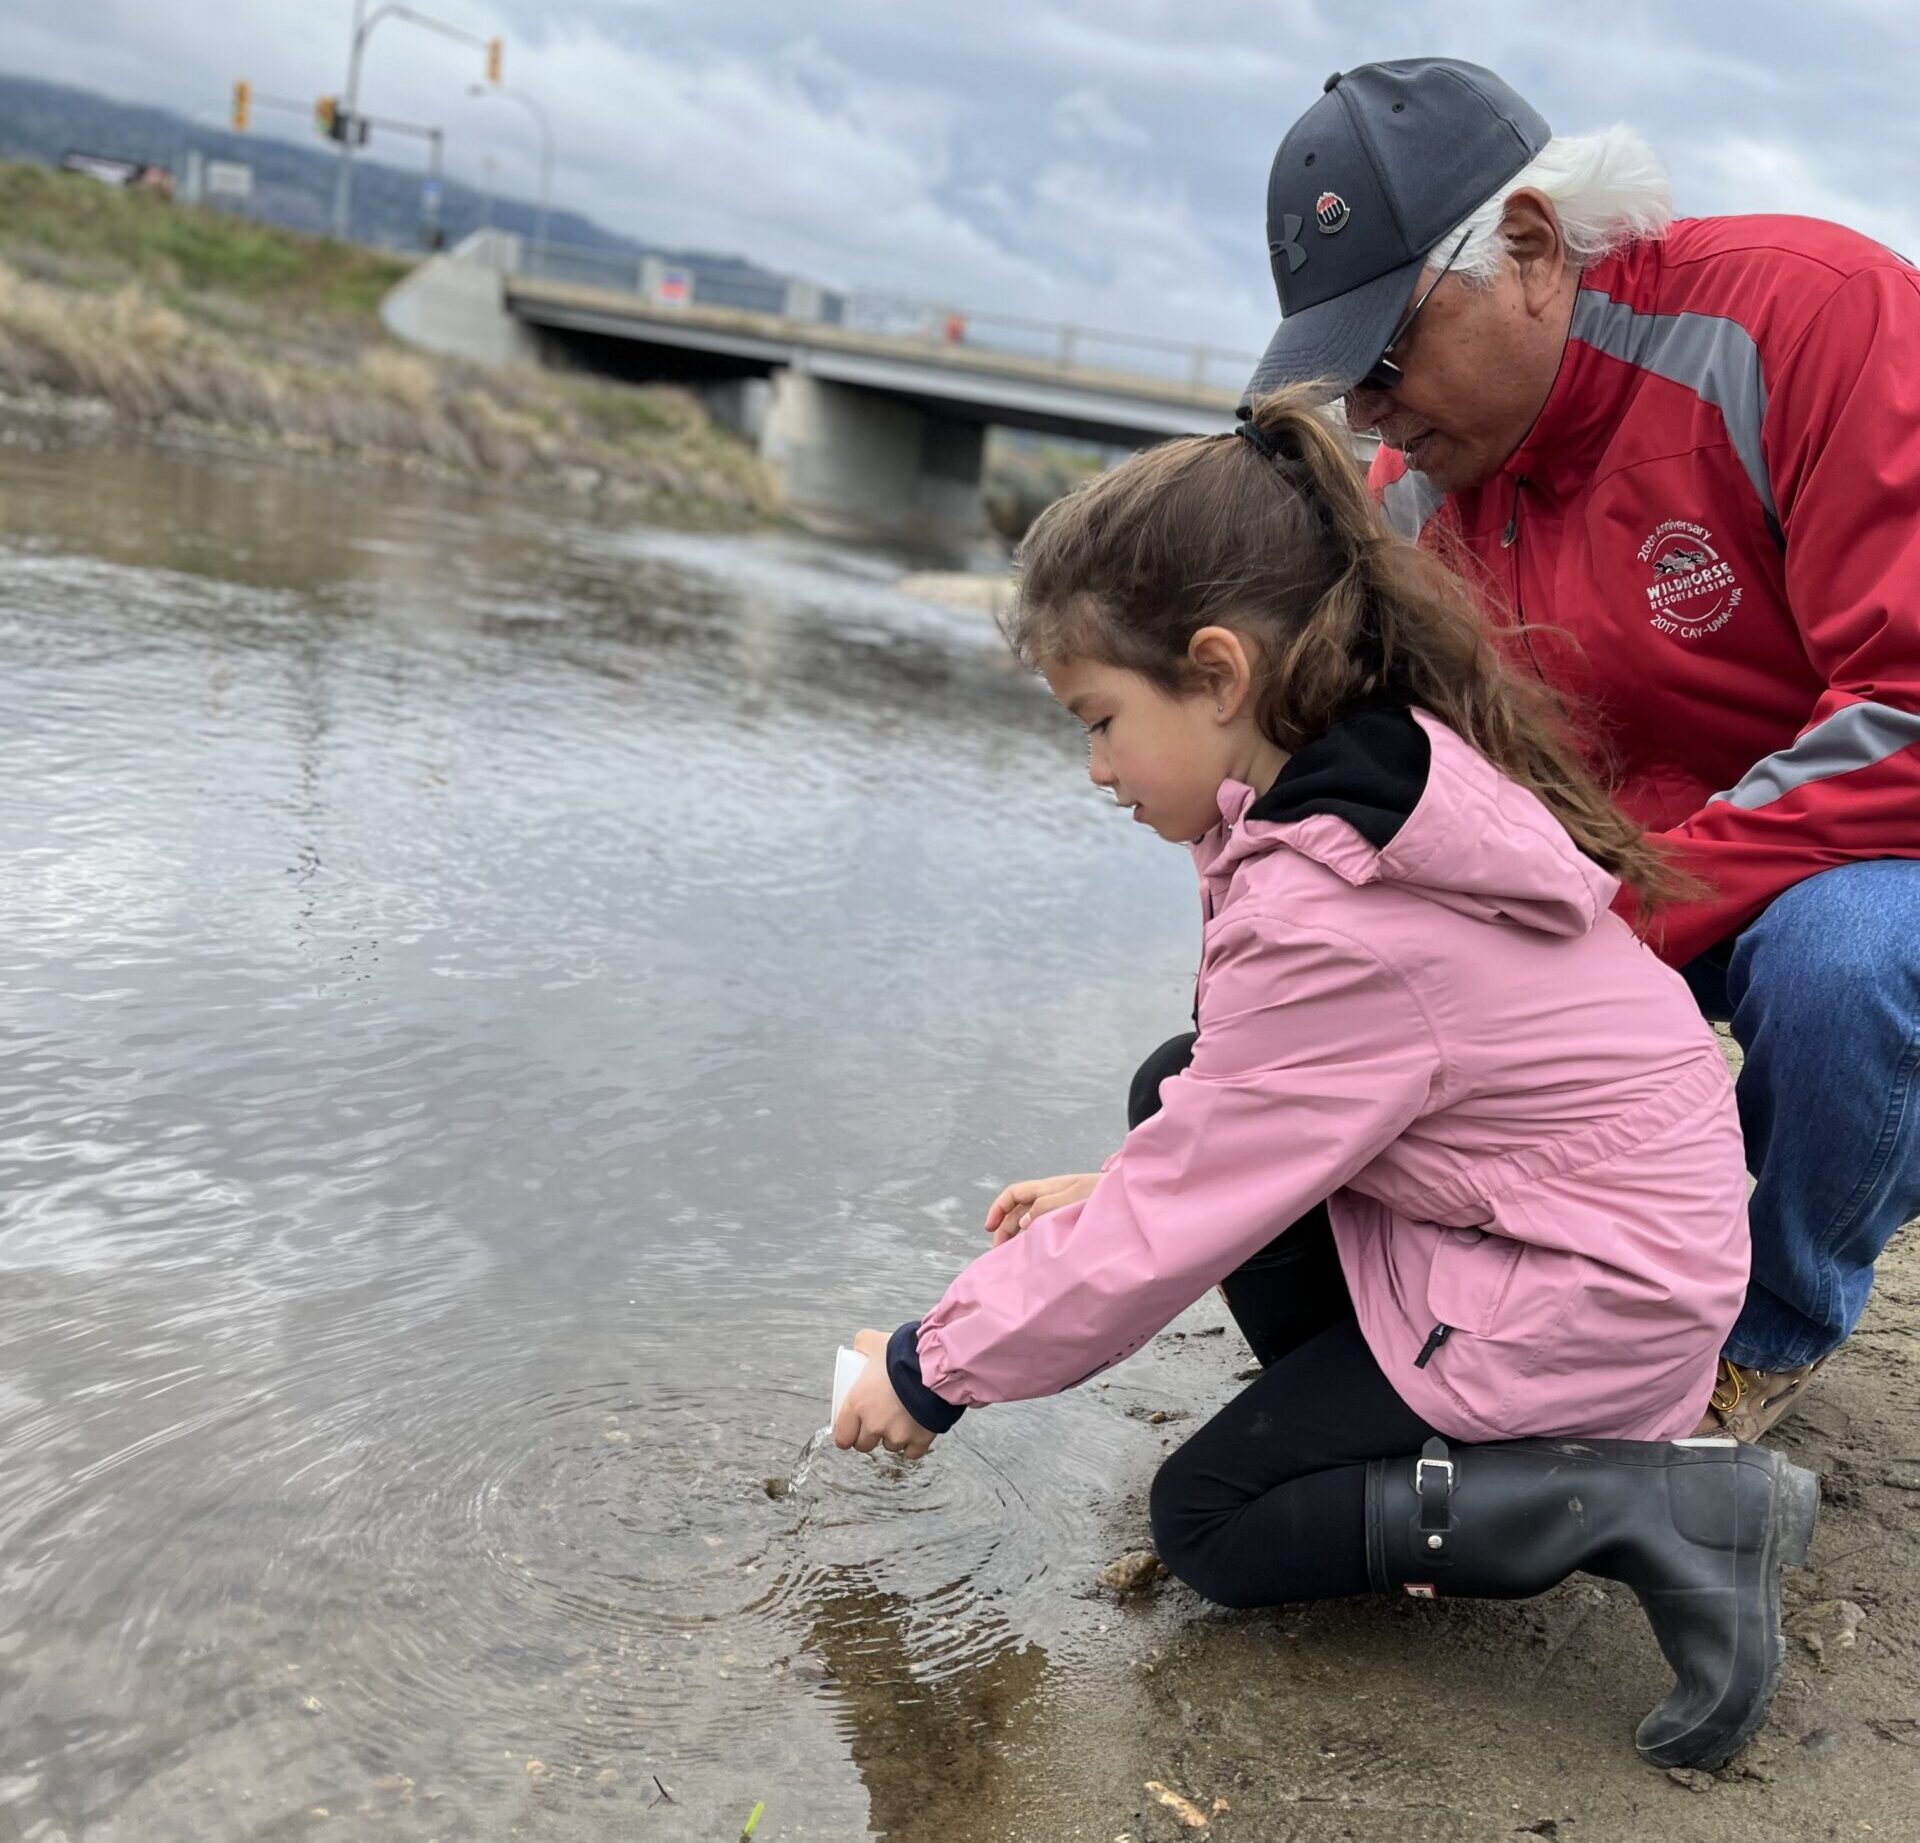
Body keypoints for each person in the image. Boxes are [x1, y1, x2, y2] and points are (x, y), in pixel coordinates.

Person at [834, 389, 1819, 1771]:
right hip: (1573, 1226)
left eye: (1102, 719)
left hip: (1595, 1291)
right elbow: (1256, 1102)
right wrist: (1123, 1182)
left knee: (1211, 1527)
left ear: (1221, 673)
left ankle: (1649, 1506)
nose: (1097, 766)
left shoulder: (1334, 909)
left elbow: (1198, 1203)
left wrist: (934, 1365)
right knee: (1174, 1085)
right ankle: (1411, 1449)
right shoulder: (1347, 781)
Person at [1238, 56, 1920, 1441]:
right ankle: (1507, 1307)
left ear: (1533, 250)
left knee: (1847, 969)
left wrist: (1629, 909)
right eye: (1340, 378)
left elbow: (1907, 705)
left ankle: (1759, 1340)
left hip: (1858, 854)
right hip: (1632, 882)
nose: (1367, 415)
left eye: (1384, 358)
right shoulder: (1417, 485)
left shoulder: (1812, 317)